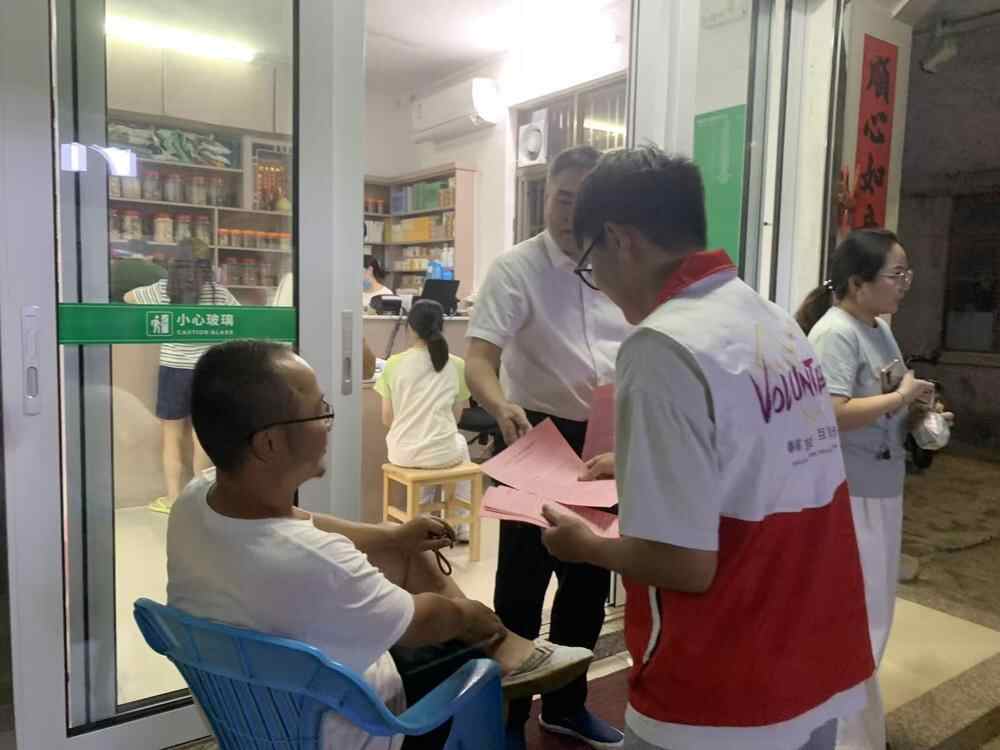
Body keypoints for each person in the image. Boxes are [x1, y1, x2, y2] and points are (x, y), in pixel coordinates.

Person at [540, 146, 876, 750]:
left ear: (620, 240)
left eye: (591, 264)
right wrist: (638, 463)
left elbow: (684, 565)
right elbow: (754, 455)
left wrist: (584, 547)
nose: (601, 287)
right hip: (813, 653)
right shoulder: (770, 318)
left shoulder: (661, 346)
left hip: (721, 684)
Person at [168, 340, 593, 750]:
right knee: (466, 643)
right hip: (354, 724)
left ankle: (507, 649)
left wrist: (393, 535)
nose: (328, 424)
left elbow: (301, 519)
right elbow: (429, 621)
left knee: (404, 551)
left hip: (257, 709)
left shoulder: (196, 499)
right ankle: (503, 648)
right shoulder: (317, 561)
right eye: (320, 411)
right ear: (269, 443)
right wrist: (482, 620)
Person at [466, 145, 632, 750]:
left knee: (587, 583)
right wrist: (498, 403)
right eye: (564, 198)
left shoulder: (617, 267)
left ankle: (565, 707)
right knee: (520, 586)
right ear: (548, 197)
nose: (572, 214)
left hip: (603, 437)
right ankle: (506, 718)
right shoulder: (516, 268)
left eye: (585, 203)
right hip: (532, 432)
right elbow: (478, 358)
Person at [796, 229, 944, 750]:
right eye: (895, 274)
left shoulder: (878, 329)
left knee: (873, 613)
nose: (904, 284)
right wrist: (900, 397)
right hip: (848, 492)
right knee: (854, 616)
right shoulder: (835, 334)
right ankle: (837, 736)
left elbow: (883, 400)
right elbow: (831, 413)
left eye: (907, 274)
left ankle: (857, 731)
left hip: (881, 485)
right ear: (858, 283)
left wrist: (917, 412)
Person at [125, 238, 239, 513]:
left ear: (176, 262)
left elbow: (128, 297)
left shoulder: (163, 290)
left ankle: (173, 499)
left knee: (171, 438)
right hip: (206, 371)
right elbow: (241, 317)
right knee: (202, 438)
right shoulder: (217, 293)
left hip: (173, 370)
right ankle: (202, 500)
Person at [375, 300, 472, 540]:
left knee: (429, 448)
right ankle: (461, 525)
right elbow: (457, 417)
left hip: (401, 452)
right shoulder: (457, 364)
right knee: (457, 444)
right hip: (443, 452)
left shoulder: (394, 364)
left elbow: (387, 418)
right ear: (441, 326)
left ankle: (421, 518)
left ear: (410, 327)